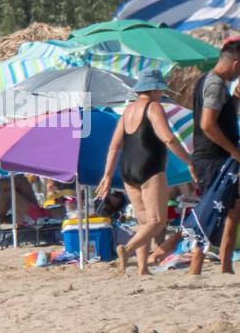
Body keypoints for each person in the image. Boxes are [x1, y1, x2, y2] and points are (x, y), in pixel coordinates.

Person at [95, 69, 195, 275]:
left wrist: (106, 175)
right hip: (149, 168)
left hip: (127, 171)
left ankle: (142, 269)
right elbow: (168, 139)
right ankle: (128, 249)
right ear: (156, 89)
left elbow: (114, 146)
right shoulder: (154, 107)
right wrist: (189, 162)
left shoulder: (127, 111)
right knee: (157, 221)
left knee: (143, 221)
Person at [188, 41, 240, 274]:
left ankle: (225, 264)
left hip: (212, 157)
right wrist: (234, 151)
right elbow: (207, 124)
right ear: (236, 64)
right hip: (214, 159)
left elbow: (217, 119)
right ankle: (195, 266)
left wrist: (235, 100)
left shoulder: (206, 81)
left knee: (231, 209)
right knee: (212, 211)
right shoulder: (216, 84)